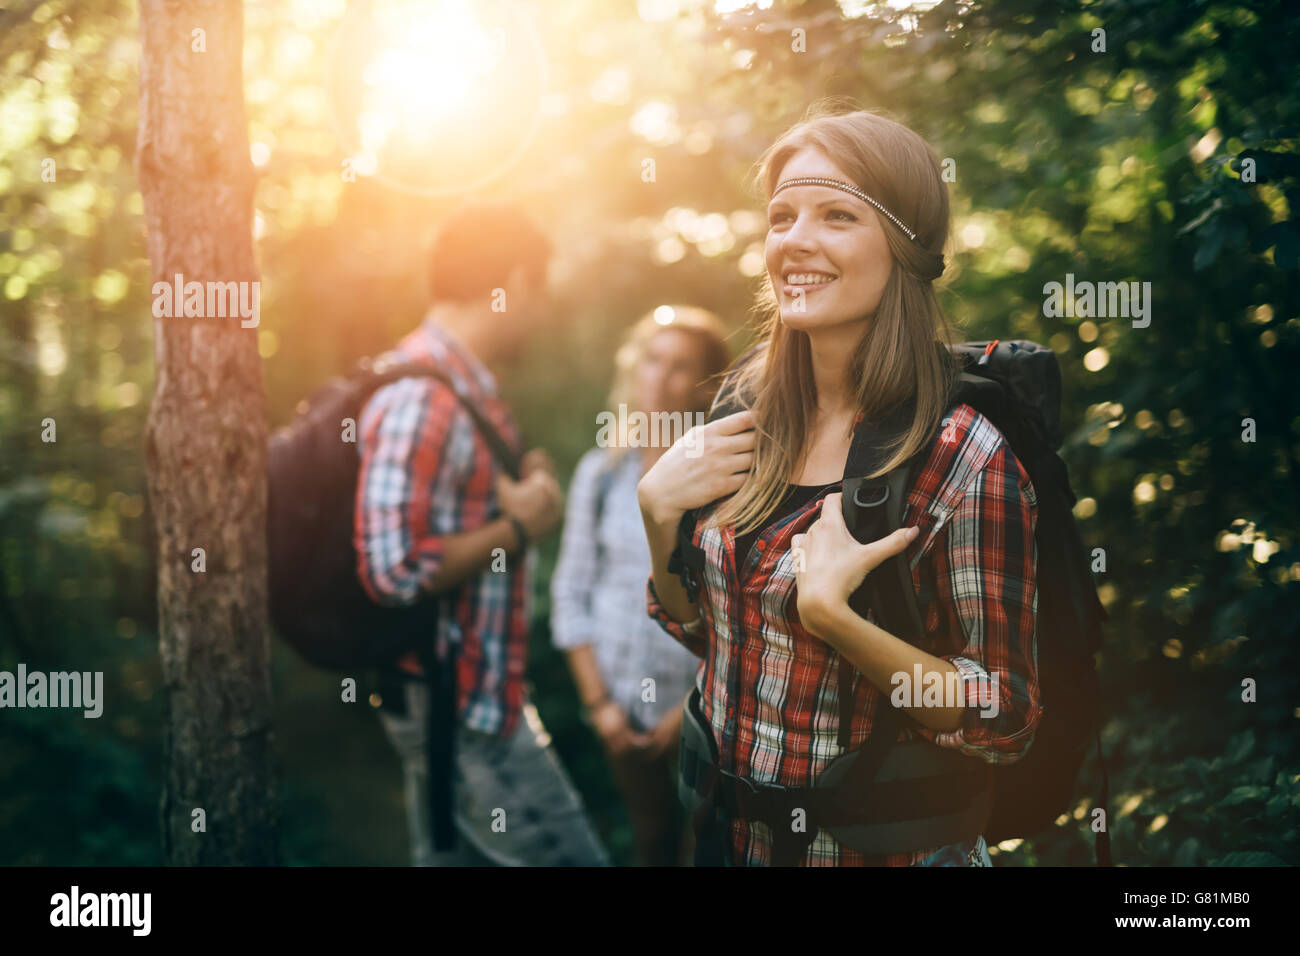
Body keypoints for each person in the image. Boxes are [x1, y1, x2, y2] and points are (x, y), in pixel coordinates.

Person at [637, 103, 1043, 866]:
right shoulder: (746, 415)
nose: (795, 239)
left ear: (905, 246)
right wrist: (658, 517)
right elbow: (706, 630)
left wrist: (837, 621)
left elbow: (1005, 714)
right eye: (782, 216)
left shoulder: (961, 454)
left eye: (837, 215)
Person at [355, 200, 609, 867]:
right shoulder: (425, 395)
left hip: (465, 695)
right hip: (459, 706)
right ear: (516, 281)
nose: (539, 312)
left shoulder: (462, 386)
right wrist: (520, 527)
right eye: (539, 291)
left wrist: (517, 495)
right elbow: (393, 568)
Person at [550, 306, 731, 865]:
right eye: (652, 359)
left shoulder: (724, 483)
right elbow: (570, 593)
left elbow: (738, 614)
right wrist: (600, 706)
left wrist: (688, 711)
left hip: (708, 711)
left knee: (707, 843)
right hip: (620, 708)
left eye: (680, 366)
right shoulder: (602, 474)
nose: (660, 377)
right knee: (650, 838)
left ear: (706, 386)